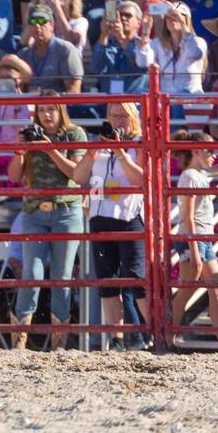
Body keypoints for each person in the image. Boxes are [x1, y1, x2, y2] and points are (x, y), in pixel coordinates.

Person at [7, 99, 86, 350]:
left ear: (60, 111)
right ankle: (19, 344)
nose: (46, 114)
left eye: (51, 109)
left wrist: (51, 149)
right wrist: (21, 150)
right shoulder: (31, 136)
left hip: (65, 211)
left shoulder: (74, 133)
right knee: (32, 275)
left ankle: (58, 345)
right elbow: (14, 176)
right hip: (34, 212)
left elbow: (77, 173)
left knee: (61, 277)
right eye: (41, 110)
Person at [73, 102, 148, 350]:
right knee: (108, 281)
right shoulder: (100, 145)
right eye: (113, 116)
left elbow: (141, 178)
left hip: (128, 216)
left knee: (135, 280)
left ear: (133, 118)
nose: (118, 121)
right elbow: (79, 177)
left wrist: (120, 152)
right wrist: (94, 151)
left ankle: (155, 333)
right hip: (99, 216)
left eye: (123, 116)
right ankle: (116, 339)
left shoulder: (138, 142)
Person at [169, 131, 218, 352]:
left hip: (199, 238)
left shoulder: (198, 173)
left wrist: (217, 145)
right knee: (191, 289)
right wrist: (195, 249)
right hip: (193, 238)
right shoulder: (190, 176)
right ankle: (168, 337)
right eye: (209, 150)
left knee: (214, 290)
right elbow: (186, 215)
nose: (214, 154)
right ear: (195, 151)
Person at [16, 4, 83, 94]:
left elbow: (73, 91)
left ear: (52, 25)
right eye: (32, 21)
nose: (37, 25)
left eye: (41, 20)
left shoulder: (65, 50)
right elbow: (19, 89)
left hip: (57, 106)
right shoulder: (23, 55)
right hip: (30, 105)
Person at [91, 0, 153, 94]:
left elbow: (141, 67)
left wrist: (121, 37)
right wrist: (104, 34)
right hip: (108, 103)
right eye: (119, 15)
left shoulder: (144, 45)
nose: (123, 18)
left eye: (128, 15)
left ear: (138, 23)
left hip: (134, 103)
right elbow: (95, 68)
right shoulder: (106, 43)